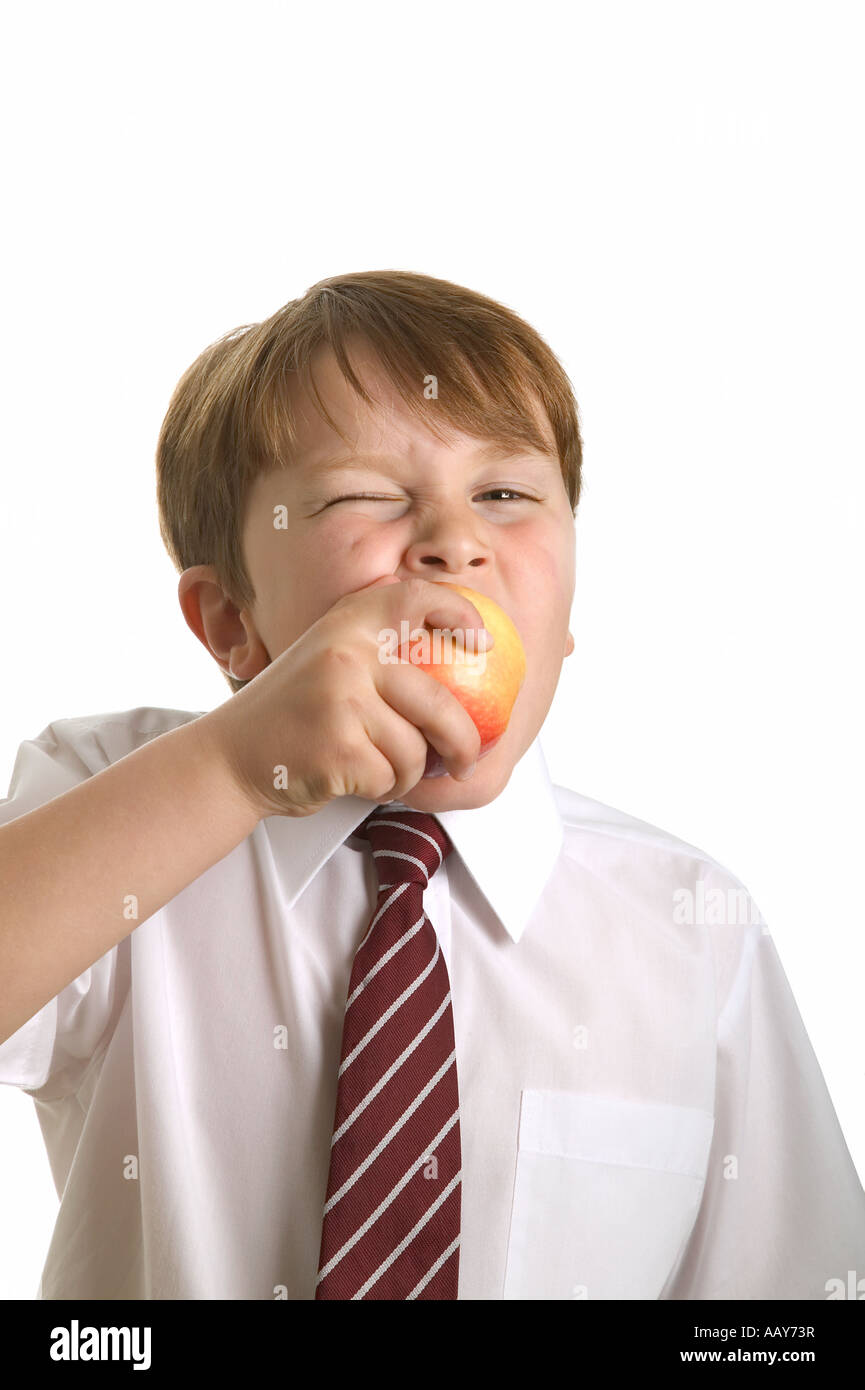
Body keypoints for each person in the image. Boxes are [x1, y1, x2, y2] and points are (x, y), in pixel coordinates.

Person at [1, 269, 863, 1300]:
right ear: (231, 621)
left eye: (504, 494)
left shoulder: (691, 927)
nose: (456, 540)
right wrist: (234, 762)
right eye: (366, 497)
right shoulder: (107, 801)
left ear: (567, 605)